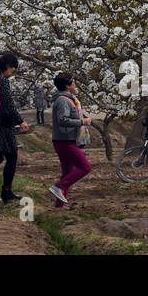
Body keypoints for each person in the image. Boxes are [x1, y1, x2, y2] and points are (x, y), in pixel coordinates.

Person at [49, 73, 93, 207]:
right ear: (68, 86)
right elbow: (63, 120)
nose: (75, 85)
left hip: (65, 140)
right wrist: (82, 122)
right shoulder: (63, 100)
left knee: (68, 172)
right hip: (65, 141)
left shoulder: (69, 99)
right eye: (73, 82)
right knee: (85, 167)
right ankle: (58, 186)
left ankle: (60, 205)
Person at [0, 53, 29, 203]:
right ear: (7, 66)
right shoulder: (2, 81)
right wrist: (20, 121)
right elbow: (8, 105)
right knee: (11, 156)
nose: (12, 72)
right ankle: (7, 192)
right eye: (12, 68)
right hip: (3, 126)